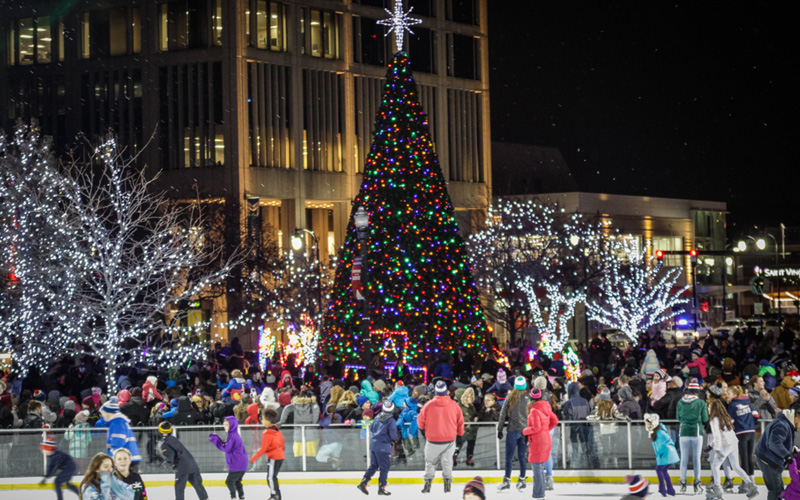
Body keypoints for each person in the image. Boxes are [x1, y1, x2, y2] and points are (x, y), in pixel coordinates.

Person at [705, 397, 758, 500]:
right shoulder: (724, 417)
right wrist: (711, 445)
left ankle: (717, 490)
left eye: (709, 407)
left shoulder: (714, 420)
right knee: (736, 466)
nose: (708, 409)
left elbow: (717, 436)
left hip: (726, 445)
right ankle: (752, 487)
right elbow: (723, 433)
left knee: (715, 466)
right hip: (733, 442)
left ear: (714, 408)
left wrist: (718, 449)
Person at [418, 380, 465, 494]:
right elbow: (460, 422)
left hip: (433, 440)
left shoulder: (428, 405)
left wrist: (425, 431)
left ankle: (428, 484)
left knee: (430, 462)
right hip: (449, 440)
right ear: (447, 392)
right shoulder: (454, 405)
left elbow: (420, 422)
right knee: (447, 462)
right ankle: (447, 484)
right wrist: (460, 434)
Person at [158, 421, 209, 500]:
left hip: (182, 467)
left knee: (179, 488)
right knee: (197, 484)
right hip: (192, 464)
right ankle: (205, 498)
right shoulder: (174, 439)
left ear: (160, 431)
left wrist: (167, 463)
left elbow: (170, 456)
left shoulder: (165, 443)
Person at [357, 399, 399, 496]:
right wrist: (396, 438)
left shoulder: (377, 417)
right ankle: (382, 487)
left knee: (374, 465)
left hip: (374, 445)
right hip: (383, 446)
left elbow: (372, 429)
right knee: (384, 467)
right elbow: (393, 435)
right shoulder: (391, 420)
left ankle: (363, 482)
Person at [523, 388, 559, 500]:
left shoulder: (534, 410)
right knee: (540, 468)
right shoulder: (546, 406)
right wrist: (546, 430)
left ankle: (538, 495)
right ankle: (540, 494)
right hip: (545, 439)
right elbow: (555, 421)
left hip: (537, 442)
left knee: (537, 470)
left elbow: (536, 428)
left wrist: (524, 431)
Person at [755, 408, 799, 500]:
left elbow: (780, 440)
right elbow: (774, 443)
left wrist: (791, 449)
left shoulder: (785, 423)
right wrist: (786, 455)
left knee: (777, 488)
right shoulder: (782, 425)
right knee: (776, 490)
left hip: (769, 458)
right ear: (796, 419)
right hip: (769, 460)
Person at [496, 376, 531, 492]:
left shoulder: (510, 397)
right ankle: (522, 480)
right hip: (525, 431)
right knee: (522, 456)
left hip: (513, 431)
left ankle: (507, 480)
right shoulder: (529, 397)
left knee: (509, 457)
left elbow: (502, 414)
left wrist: (500, 429)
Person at [676, 381, 708, 494]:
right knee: (696, 459)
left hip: (683, 431)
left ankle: (683, 483)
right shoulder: (701, 402)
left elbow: (677, 417)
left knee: (683, 458)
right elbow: (705, 419)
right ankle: (697, 483)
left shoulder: (680, 402)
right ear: (697, 393)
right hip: (696, 431)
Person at [586, 387, 628, 468]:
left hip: (604, 430)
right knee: (613, 449)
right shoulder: (613, 404)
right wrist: (625, 418)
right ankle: (615, 466)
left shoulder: (599, 405)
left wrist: (588, 418)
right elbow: (617, 415)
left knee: (605, 450)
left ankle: (605, 467)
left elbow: (597, 417)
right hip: (613, 429)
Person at [209, 415, 248, 500]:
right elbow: (227, 445)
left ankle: (233, 497)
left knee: (229, 481)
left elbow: (226, 448)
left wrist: (215, 439)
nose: (224, 426)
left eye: (226, 425)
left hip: (237, 463)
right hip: (241, 463)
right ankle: (241, 496)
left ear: (232, 425)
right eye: (224, 424)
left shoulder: (232, 435)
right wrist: (218, 439)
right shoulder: (233, 434)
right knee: (237, 481)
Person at [250, 408, 285, 500]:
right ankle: (276, 494)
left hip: (274, 457)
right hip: (280, 456)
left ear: (268, 421)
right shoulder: (276, 430)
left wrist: (253, 459)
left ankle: (275, 495)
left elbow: (263, 449)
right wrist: (281, 450)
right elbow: (282, 441)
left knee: (270, 477)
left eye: (263, 419)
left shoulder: (267, 433)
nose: (262, 421)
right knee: (272, 476)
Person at [99, 397, 142, 469]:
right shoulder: (118, 422)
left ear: (109, 412)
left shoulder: (117, 423)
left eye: (103, 412)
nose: (102, 415)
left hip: (126, 461)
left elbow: (118, 445)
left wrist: (109, 460)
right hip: (127, 459)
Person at [727, 385, 757, 490]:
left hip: (741, 433)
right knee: (749, 457)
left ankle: (746, 484)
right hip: (751, 432)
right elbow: (756, 414)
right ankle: (752, 480)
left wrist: (732, 429)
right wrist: (752, 424)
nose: (727, 395)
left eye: (729, 393)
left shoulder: (732, 405)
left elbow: (730, 421)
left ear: (735, 395)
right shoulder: (747, 402)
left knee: (743, 458)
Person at [644, 413, 679, 497]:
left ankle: (662, 489)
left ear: (653, 424)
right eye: (646, 424)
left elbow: (669, 441)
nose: (647, 425)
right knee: (663, 470)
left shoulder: (660, 432)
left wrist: (662, 452)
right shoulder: (654, 432)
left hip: (667, 454)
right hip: (664, 455)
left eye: (648, 424)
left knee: (659, 469)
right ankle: (670, 490)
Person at [455, 387, 478, 467]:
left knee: (471, 446)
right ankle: (454, 457)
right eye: (468, 397)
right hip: (462, 431)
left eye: (471, 396)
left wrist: (476, 419)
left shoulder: (471, 407)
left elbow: (474, 415)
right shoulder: (457, 407)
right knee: (458, 445)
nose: (471, 398)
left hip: (471, 431)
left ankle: (469, 458)